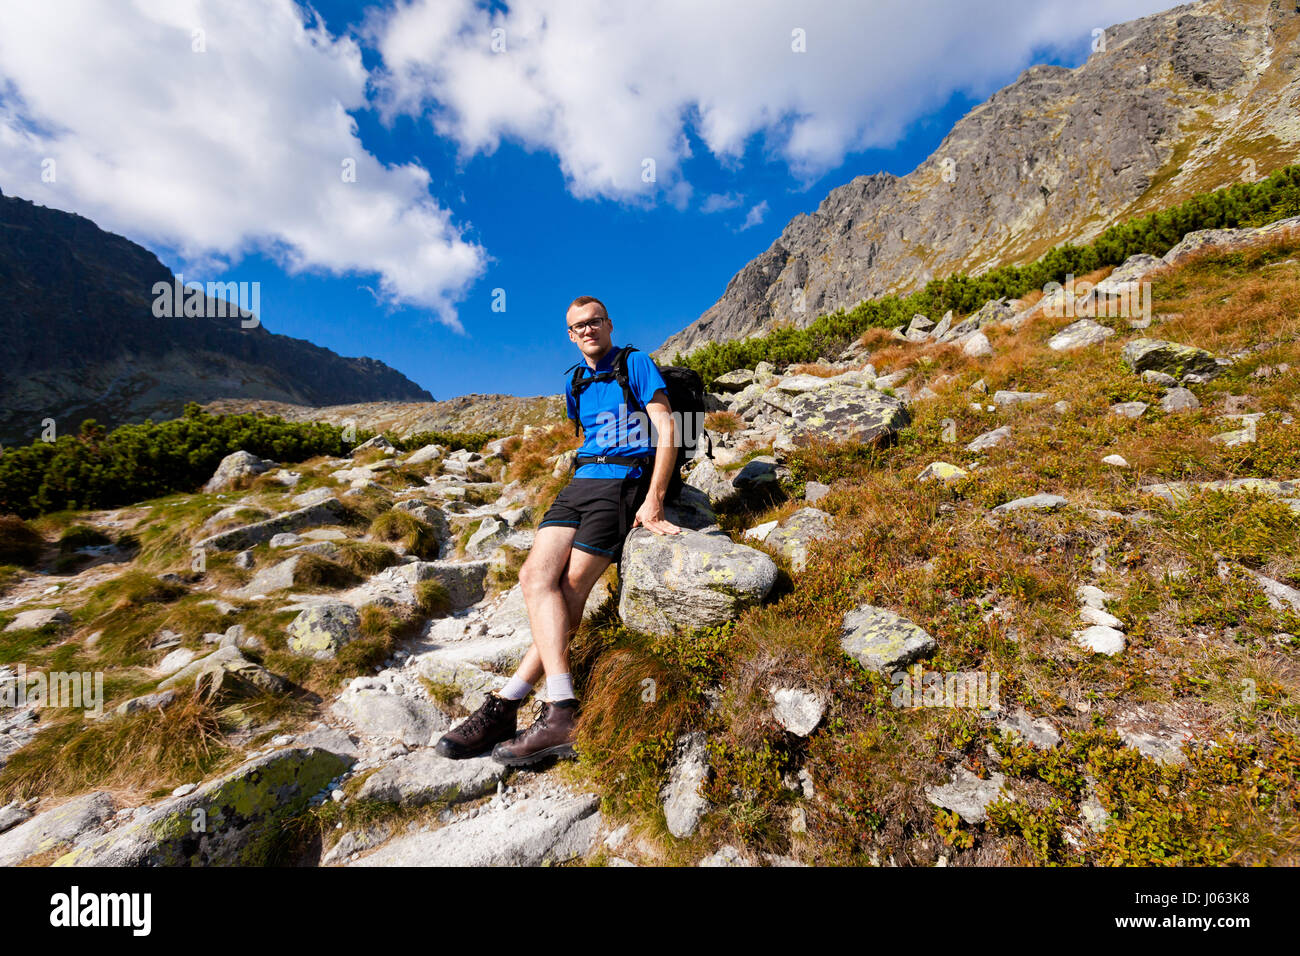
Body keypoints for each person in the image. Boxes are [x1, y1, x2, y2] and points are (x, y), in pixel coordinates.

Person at [435, 295, 682, 766]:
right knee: (534, 578)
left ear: (608, 324)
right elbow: (585, 436)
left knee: (571, 588)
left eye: (594, 322)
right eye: (578, 326)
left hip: (623, 483)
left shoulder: (636, 363)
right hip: (579, 484)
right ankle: (530, 708)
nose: (587, 330)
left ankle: (522, 705)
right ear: (570, 335)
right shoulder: (574, 382)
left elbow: (667, 430)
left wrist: (653, 500)